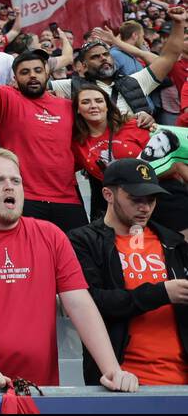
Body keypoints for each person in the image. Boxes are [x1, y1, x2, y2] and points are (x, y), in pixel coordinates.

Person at [0, 149, 139, 391]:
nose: (9, 187)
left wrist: (112, 370)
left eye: (15, 180)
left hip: (37, 389)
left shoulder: (51, 235)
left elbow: (80, 304)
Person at [69, 158, 188, 386]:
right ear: (108, 194)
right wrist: (162, 293)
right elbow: (90, 303)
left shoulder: (174, 241)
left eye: (151, 200)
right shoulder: (83, 241)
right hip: (120, 380)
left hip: (180, 380)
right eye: (135, 199)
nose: (145, 207)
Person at [0, 38, 86, 231]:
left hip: (68, 198)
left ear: (47, 72)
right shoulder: (6, 99)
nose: (32, 76)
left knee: (76, 258)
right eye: (25, 72)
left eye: (38, 70)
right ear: (15, 78)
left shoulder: (67, 106)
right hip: (25, 198)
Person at [50, 8, 186, 115]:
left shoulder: (135, 81)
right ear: (84, 67)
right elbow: (33, 81)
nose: (103, 58)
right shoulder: (72, 86)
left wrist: (179, 24)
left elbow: (168, 58)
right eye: (95, 57)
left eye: (106, 54)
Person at [72, 84, 152, 222]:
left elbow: (164, 158)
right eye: (85, 102)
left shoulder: (133, 125)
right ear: (78, 110)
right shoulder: (78, 144)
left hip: (152, 198)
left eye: (99, 101)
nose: (93, 106)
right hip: (118, 208)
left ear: (107, 106)